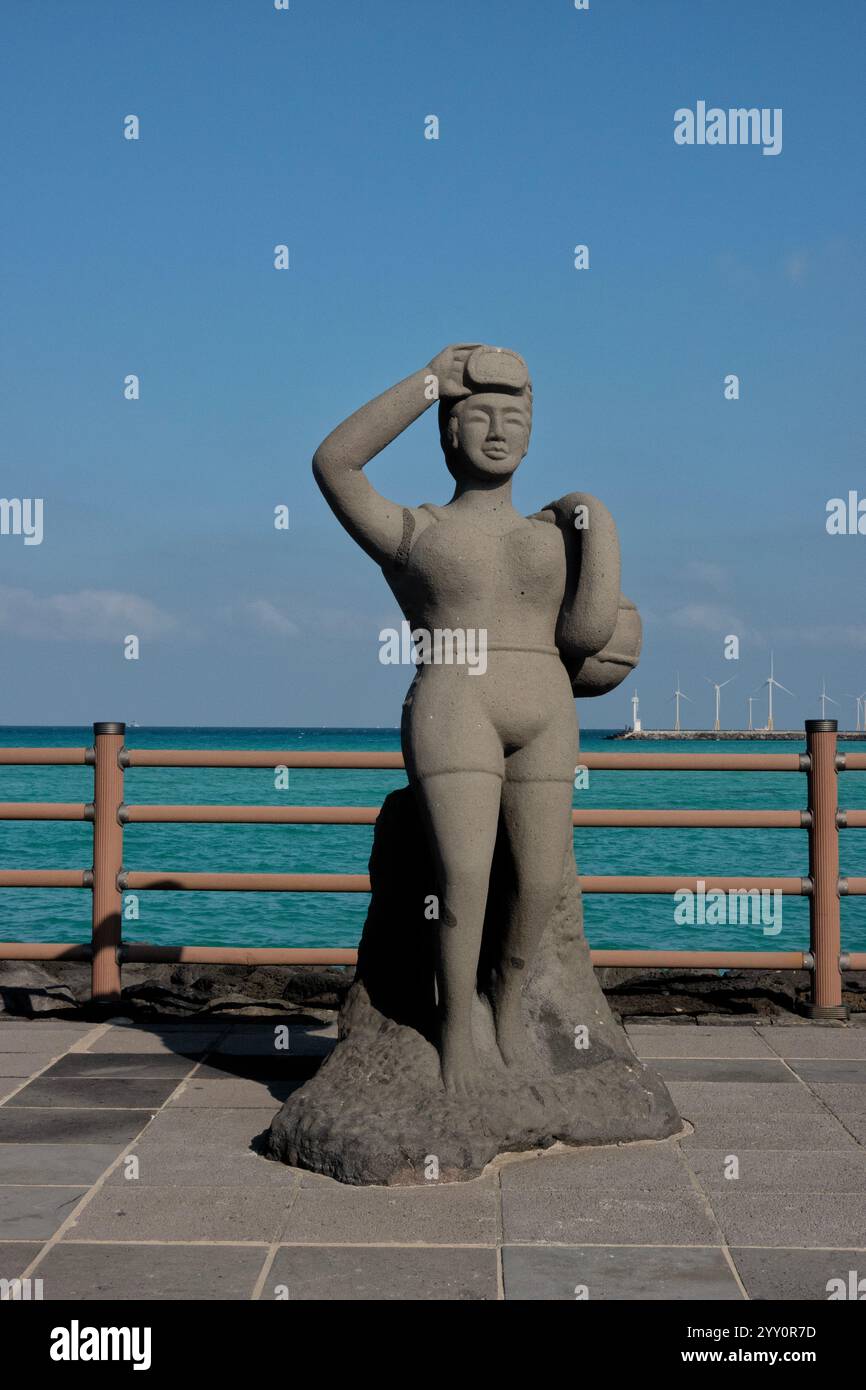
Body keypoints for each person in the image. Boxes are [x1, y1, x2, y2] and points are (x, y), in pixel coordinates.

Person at [313, 344, 640, 1093]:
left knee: (538, 880)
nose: (498, 431)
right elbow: (334, 464)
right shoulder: (414, 533)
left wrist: (595, 519)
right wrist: (430, 382)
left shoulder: (557, 529)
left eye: (515, 418)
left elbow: (591, 632)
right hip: (455, 703)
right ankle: (455, 1024)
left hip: (546, 709)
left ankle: (507, 1002)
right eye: (480, 416)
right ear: (447, 431)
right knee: (463, 874)